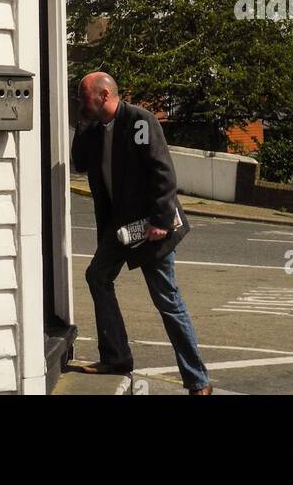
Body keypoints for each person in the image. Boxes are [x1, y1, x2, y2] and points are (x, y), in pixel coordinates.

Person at [70, 71, 212, 394]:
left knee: (167, 301)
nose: (81, 101)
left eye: (84, 96)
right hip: (119, 227)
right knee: (97, 276)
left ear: (105, 96)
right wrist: (82, 122)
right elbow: (79, 163)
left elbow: (163, 173)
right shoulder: (94, 128)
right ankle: (117, 357)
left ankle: (198, 381)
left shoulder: (138, 122)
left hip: (150, 227)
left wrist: (161, 222)